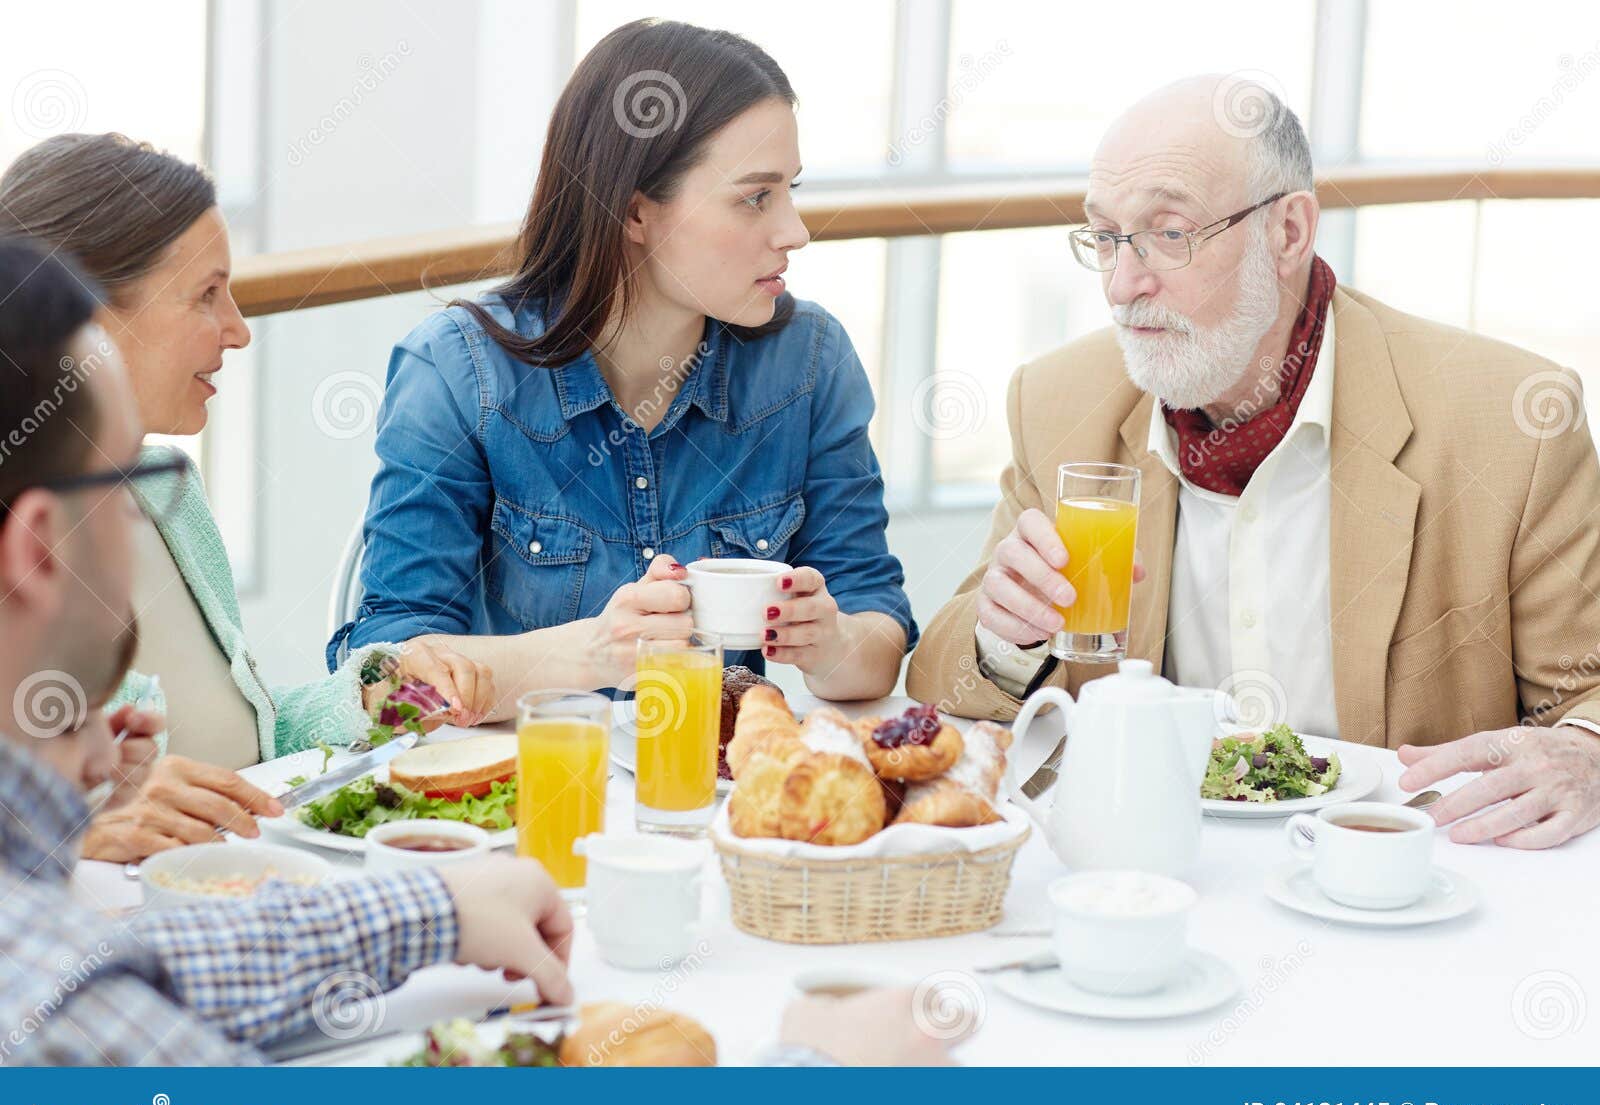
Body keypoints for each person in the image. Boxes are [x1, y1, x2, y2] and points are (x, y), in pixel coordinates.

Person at [907, 75, 1600, 850]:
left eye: (1169, 234)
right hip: (1158, 864)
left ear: (1289, 232)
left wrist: (1586, 752)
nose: (1122, 284)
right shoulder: (1062, 400)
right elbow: (942, 682)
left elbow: (1588, 696)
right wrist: (1008, 636)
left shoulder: (1509, 421)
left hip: (1397, 874)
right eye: (1105, 237)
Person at [0, 238, 573, 1063]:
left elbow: (116, 958)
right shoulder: (64, 1027)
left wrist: (427, 909)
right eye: (126, 486)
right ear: (41, 551)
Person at [334, 19, 915, 709]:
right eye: (756, 197)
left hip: (714, 802)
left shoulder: (810, 361)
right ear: (636, 211)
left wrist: (834, 644)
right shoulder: (458, 372)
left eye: (790, 190)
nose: (795, 231)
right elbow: (384, 676)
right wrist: (594, 652)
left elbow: (877, 627)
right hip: (534, 801)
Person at [0, 132, 497, 861]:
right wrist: (76, 835)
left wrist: (366, 695)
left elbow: (241, 740)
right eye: (207, 295)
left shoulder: (166, 492)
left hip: (232, 891)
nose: (238, 331)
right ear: (92, 318)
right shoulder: (24, 554)